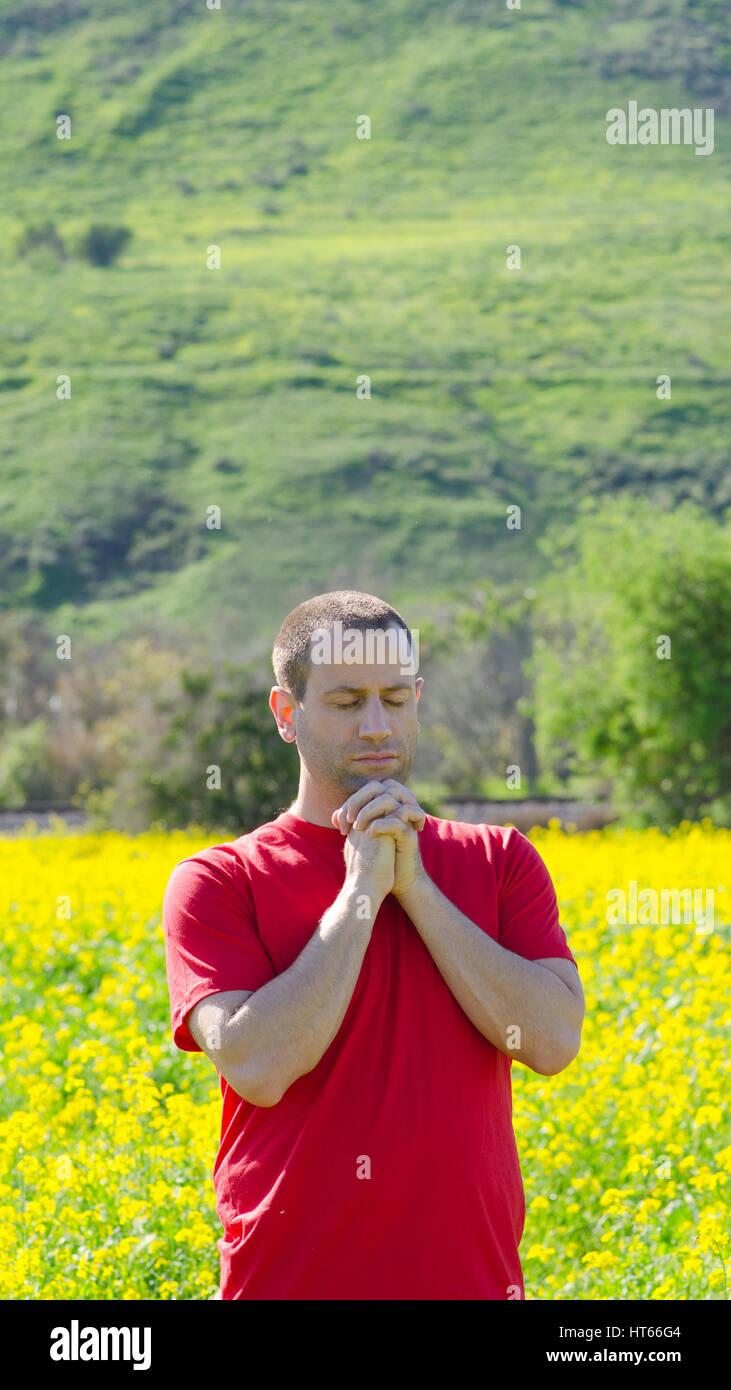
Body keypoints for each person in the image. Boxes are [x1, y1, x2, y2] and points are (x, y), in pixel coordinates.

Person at [162, 590, 584, 1300]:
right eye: (346, 701)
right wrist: (360, 893)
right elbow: (259, 1066)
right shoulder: (220, 880)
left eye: (394, 697)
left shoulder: (499, 860)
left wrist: (415, 888)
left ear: (417, 698)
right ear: (285, 714)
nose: (377, 725)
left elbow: (550, 1042)